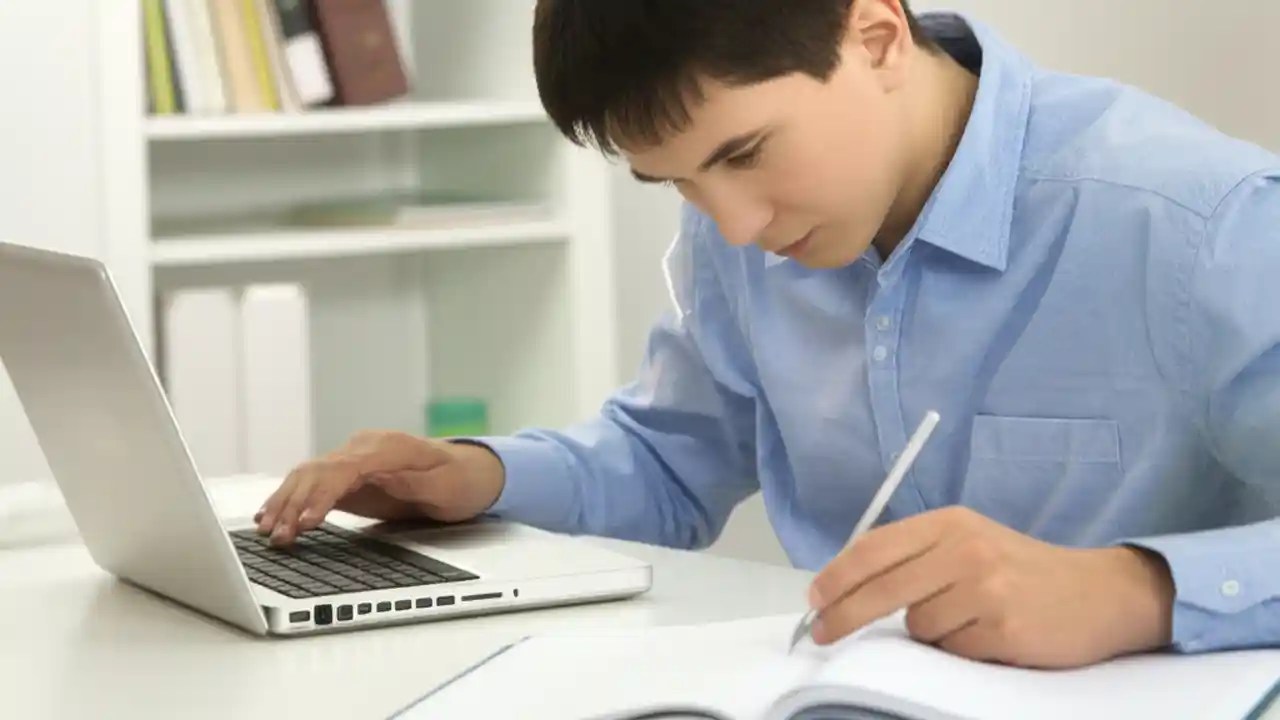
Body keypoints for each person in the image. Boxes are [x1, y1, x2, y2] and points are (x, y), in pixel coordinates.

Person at [254, 1, 1280, 669]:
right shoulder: (738, 227)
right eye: (679, 180)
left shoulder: (1199, 222)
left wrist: (1136, 589)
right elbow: (669, 458)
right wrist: (476, 477)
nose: (734, 226)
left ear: (873, 34)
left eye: (743, 152)